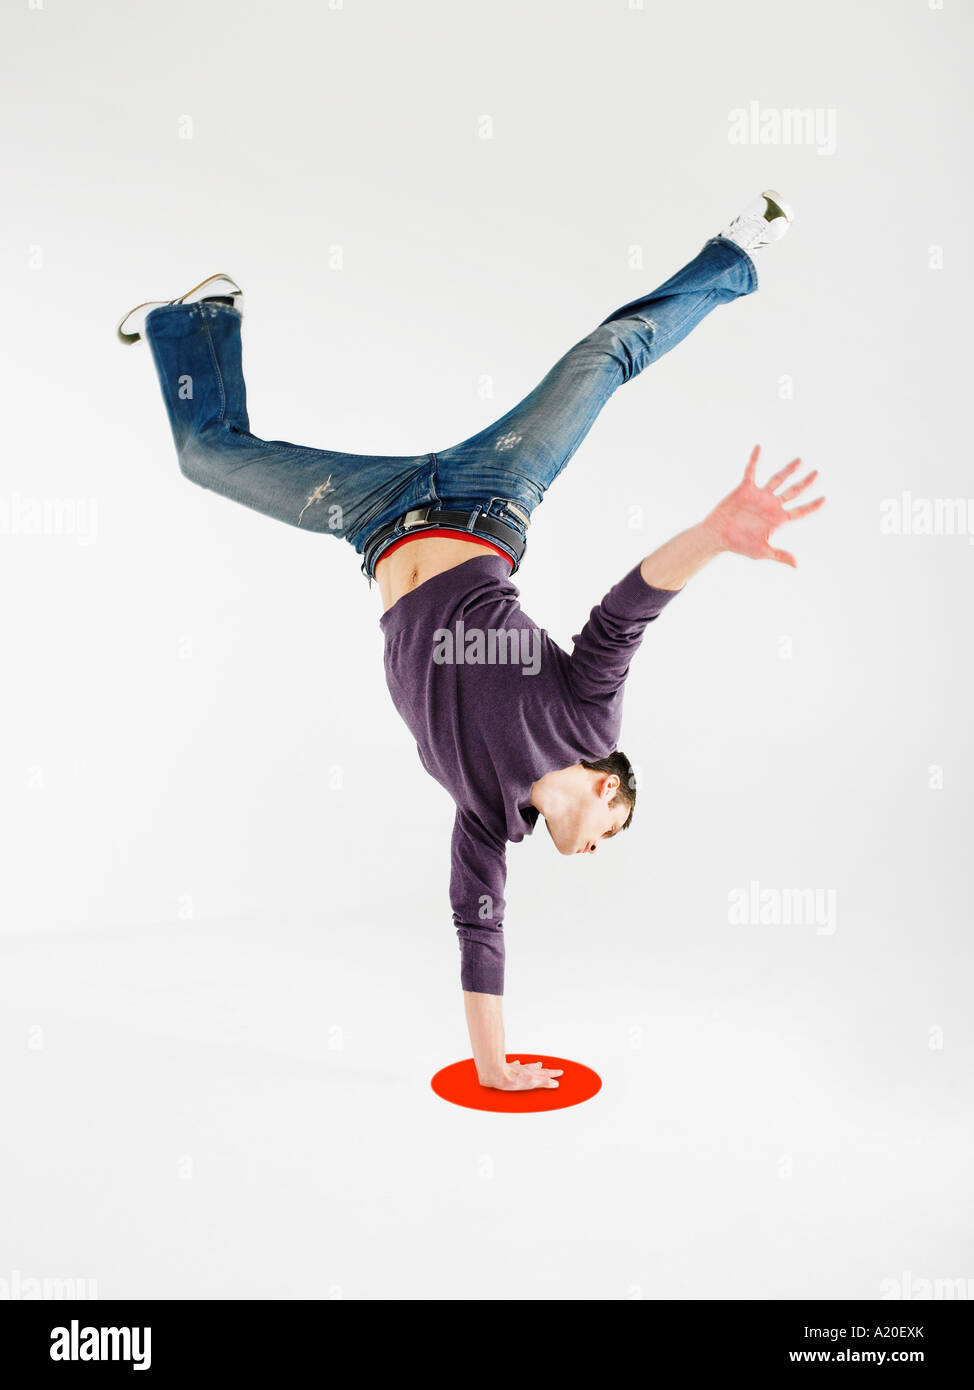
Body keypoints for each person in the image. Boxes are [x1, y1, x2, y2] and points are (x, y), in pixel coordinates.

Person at [117, 191, 824, 1092]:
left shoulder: (487, 821)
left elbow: (480, 932)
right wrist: (716, 538)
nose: (604, 844)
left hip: (374, 519)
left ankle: (202, 320)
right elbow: (628, 610)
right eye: (617, 826)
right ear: (608, 784)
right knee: (603, 357)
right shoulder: (588, 715)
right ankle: (738, 249)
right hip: (491, 495)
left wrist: (493, 1071)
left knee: (205, 456)